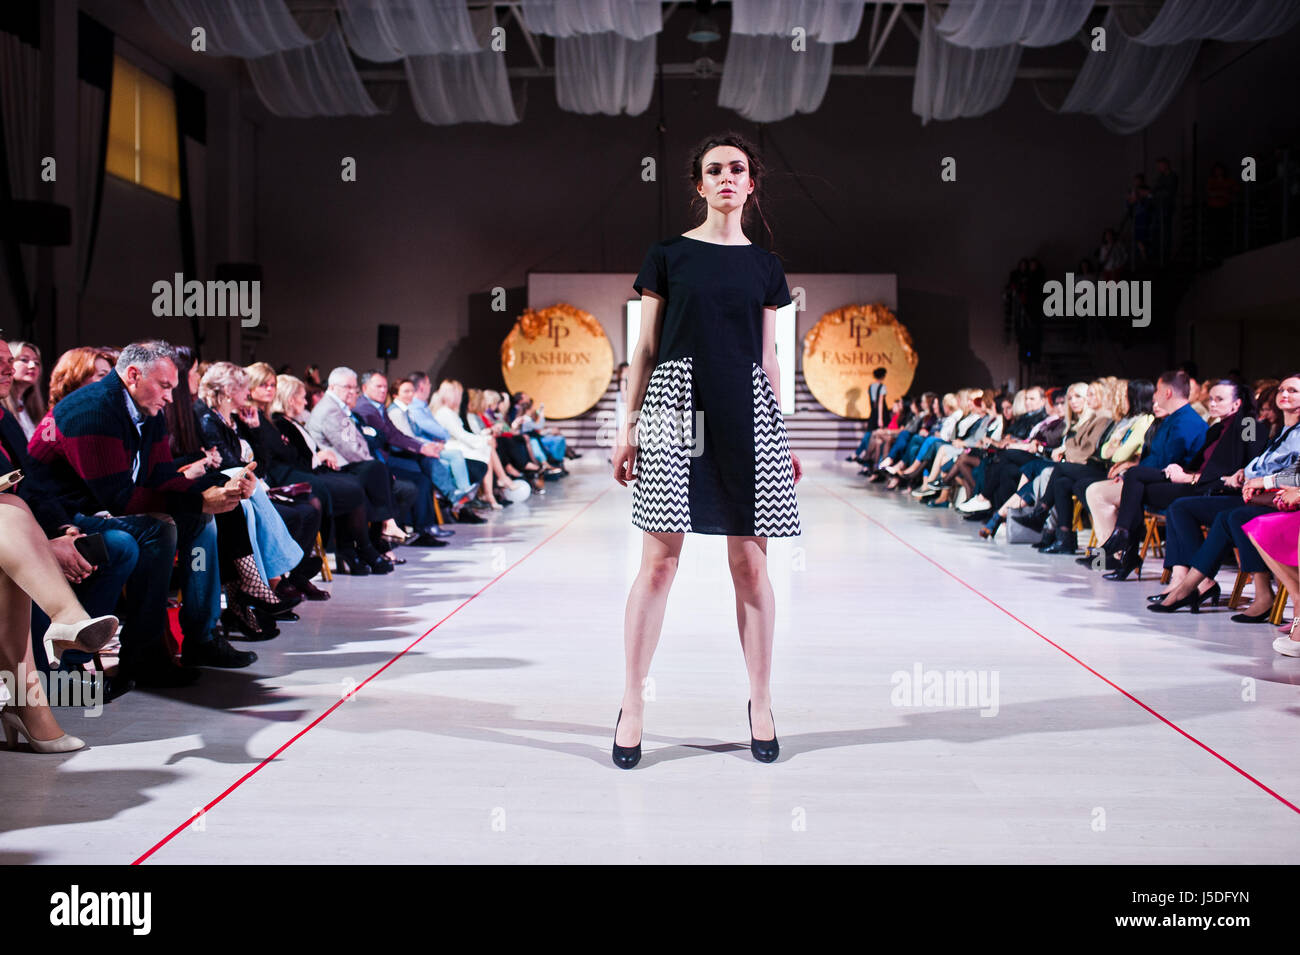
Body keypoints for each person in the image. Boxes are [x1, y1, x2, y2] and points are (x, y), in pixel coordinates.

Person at [611, 132, 802, 769]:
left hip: (746, 408)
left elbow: (770, 358)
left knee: (750, 566)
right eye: (713, 169)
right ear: (699, 184)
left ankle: (761, 700)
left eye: (737, 169)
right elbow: (644, 350)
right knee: (659, 564)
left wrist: (784, 433)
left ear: (751, 183)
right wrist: (628, 426)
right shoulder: (667, 255)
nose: (726, 177)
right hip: (673, 403)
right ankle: (632, 704)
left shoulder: (766, 268)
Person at [3, 340, 45, 440]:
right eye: (24, 360)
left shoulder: (35, 410)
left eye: (37, 362)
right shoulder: (3, 410)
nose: (32, 366)